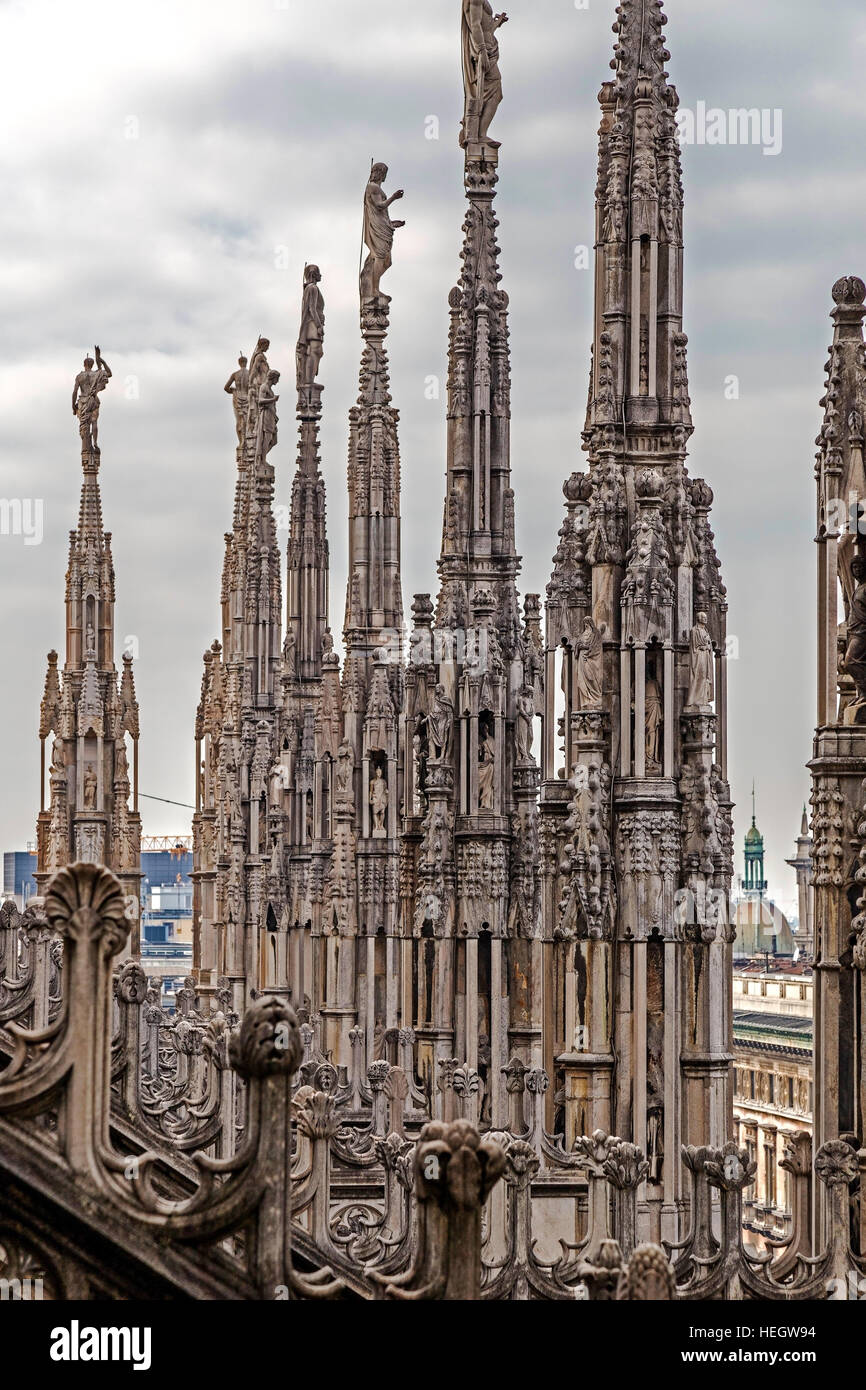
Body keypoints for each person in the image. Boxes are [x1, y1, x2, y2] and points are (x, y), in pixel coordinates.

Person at [360, 163, 404, 304]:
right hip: (378, 228)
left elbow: (382, 213)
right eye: (384, 172)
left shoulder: (377, 188)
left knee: (387, 261)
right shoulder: (372, 187)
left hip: (383, 226)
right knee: (379, 257)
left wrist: (392, 223)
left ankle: (372, 284)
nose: (384, 176)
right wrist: (393, 197)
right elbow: (379, 206)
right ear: (379, 173)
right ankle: (374, 290)